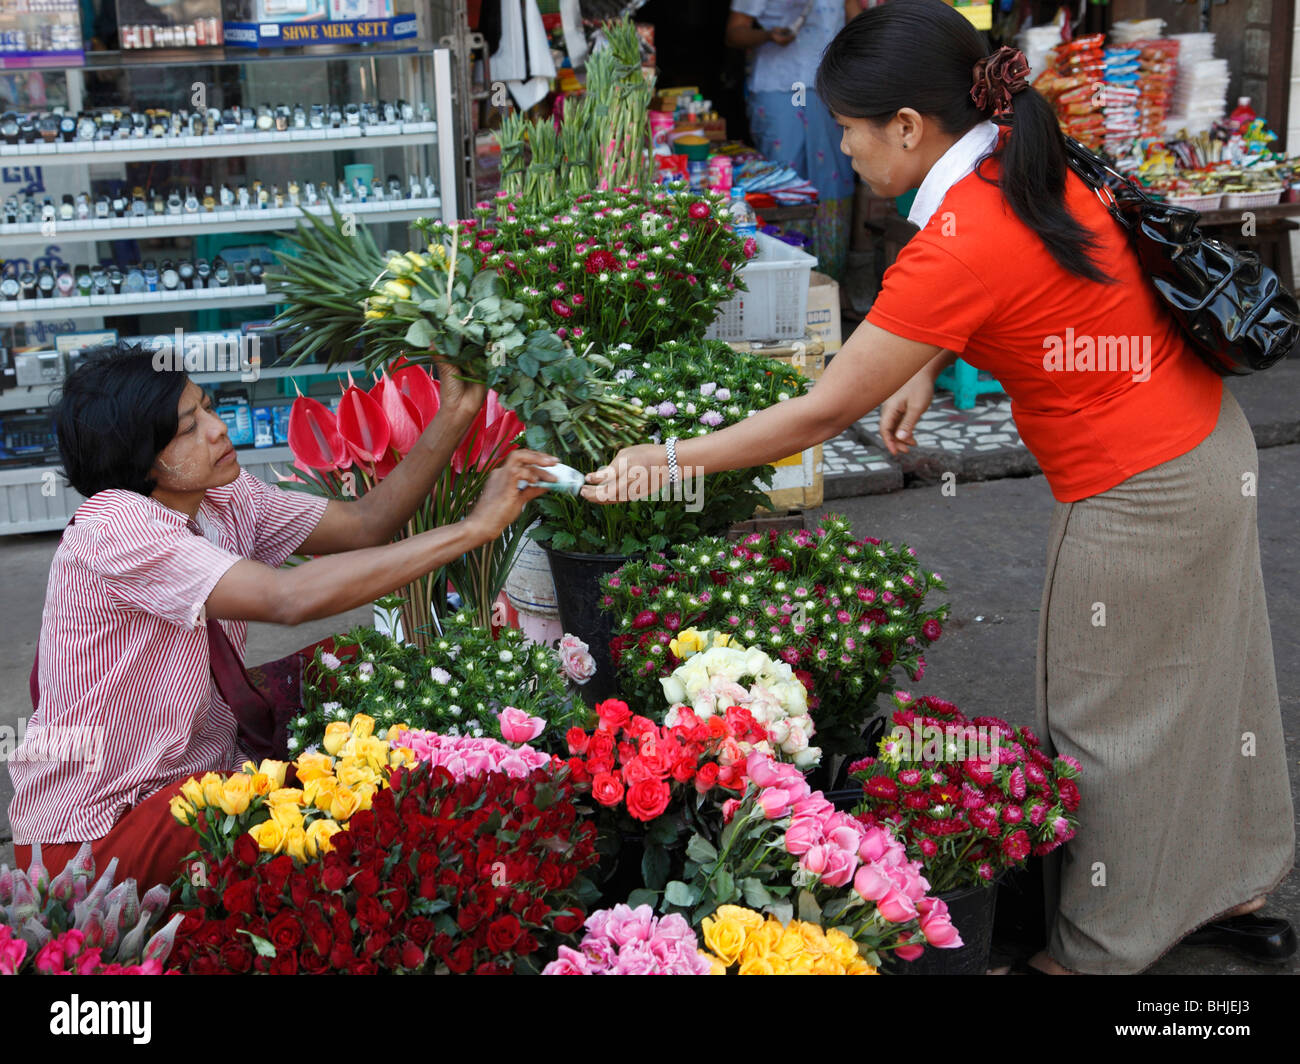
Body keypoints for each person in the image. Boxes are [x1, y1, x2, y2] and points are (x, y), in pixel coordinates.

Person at [584, 0, 1296, 975]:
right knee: (1206, 688)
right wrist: (921, 362)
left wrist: (661, 462)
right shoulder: (1014, 146)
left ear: (909, 129)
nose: (842, 149)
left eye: (847, 129)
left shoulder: (960, 236)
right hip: (1201, 448)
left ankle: (1095, 952)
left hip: (1145, 493)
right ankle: (1232, 885)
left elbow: (815, 413)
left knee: (1109, 722)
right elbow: (1012, 292)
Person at [7, 343, 557, 890]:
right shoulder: (118, 525)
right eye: (186, 428)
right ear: (137, 455)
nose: (218, 429)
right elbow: (287, 599)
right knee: (298, 823)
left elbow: (367, 523)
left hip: (198, 761)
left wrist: (457, 410)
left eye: (208, 407)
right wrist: (471, 530)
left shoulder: (222, 495)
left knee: (350, 662)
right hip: (100, 828)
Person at [724, 0, 858, 279]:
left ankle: (831, 282)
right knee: (782, 181)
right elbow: (735, 32)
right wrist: (769, 35)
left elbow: (858, 25)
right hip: (779, 86)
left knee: (833, 180)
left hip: (830, 87)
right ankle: (785, 281)